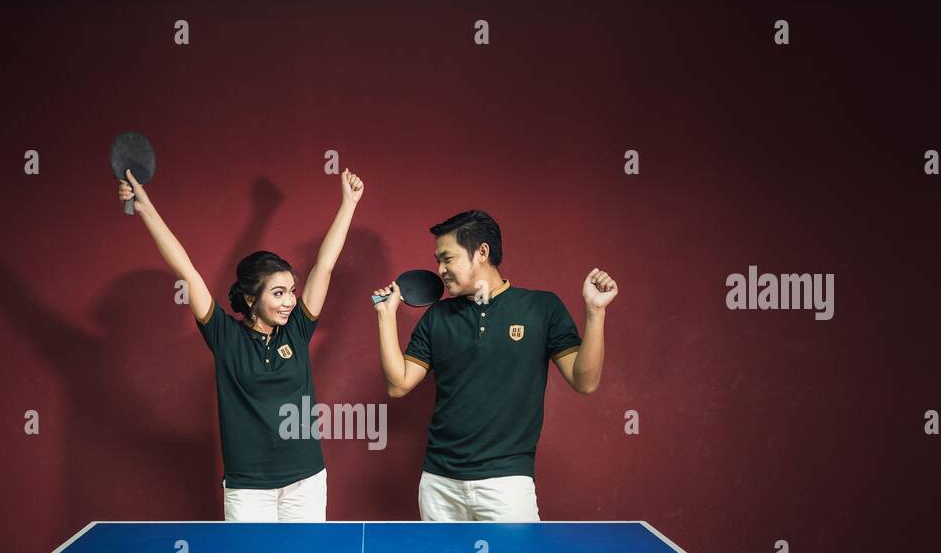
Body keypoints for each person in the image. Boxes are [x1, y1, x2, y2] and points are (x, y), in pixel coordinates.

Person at [118, 167, 364, 521]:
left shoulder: (297, 330)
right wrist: (145, 208)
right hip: (248, 489)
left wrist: (349, 204)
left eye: (291, 292)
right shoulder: (224, 336)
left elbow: (324, 266)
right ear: (251, 299)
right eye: (278, 293)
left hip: (306, 482)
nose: (289, 302)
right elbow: (186, 270)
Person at [372, 210, 617, 522]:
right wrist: (385, 315)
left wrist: (595, 313)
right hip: (439, 482)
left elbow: (585, 382)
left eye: (448, 258)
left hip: (507, 484)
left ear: (482, 253)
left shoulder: (541, 308)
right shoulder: (437, 317)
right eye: (438, 260)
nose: (440, 269)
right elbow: (399, 384)